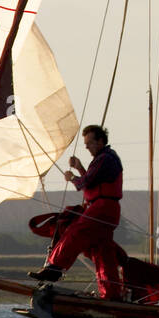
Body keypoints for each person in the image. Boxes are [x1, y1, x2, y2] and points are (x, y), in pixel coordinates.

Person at [29, 125, 124, 299]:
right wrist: (80, 168)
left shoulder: (104, 158)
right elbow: (91, 183)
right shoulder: (106, 158)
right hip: (108, 209)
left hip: (102, 208)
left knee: (75, 232)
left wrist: (72, 177)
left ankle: (54, 268)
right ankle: (112, 294)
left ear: (101, 141)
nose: (86, 147)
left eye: (90, 143)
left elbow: (84, 183)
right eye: (86, 143)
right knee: (101, 251)